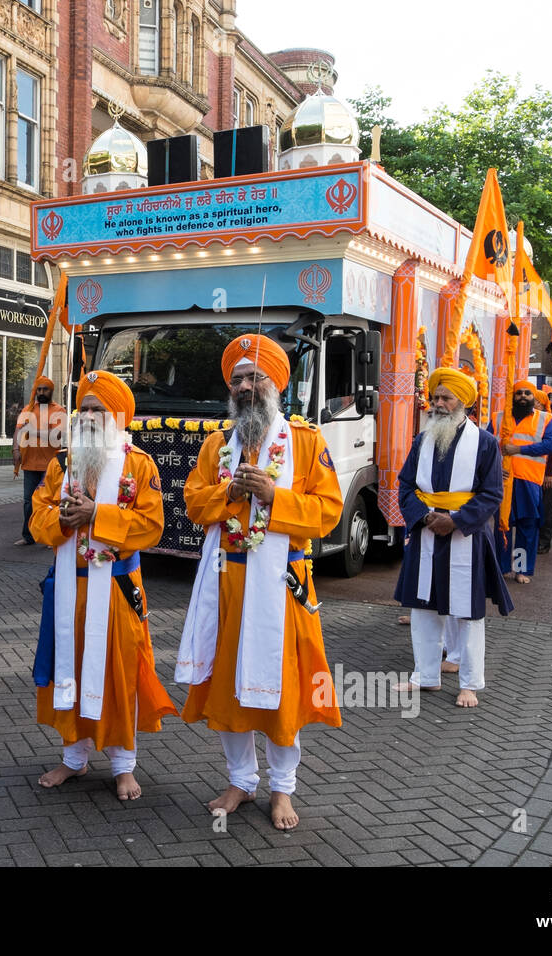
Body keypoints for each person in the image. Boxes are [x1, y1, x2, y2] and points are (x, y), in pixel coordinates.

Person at [176, 334, 343, 830]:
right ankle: (240, 780)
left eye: (256, 378)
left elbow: (328, 513)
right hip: (227, 583)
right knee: (228, 686)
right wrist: (228, 493)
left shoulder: (307, 442)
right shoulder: (214, 446)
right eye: (238, 380)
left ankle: (283, 789)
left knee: (283, 688)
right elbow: (191, 504)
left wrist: (275, 495)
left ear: (277, 385)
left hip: (283, 585)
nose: (246, 386)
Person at [29, 370, 176, 800]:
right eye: (84, 409)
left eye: (98, 410)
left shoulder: (138, 464)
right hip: (68, 589)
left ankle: (123, 765)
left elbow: (152, 527)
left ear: (117, 417)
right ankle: (73, 759)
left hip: (116, 591)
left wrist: (97, 516)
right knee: (69, 668)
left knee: (118, 674)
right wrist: (60, 520)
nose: (88, 416)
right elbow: (38, 519)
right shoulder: (61, 465)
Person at [394, 368, 512, 708]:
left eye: (446, 398)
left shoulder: (485, 443)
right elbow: (405, 485)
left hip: (466, 536)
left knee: (467, 612)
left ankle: (470, 684)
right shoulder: (422, 440)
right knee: (423, 608)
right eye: (436, 398)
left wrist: (456, 521)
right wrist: (422, 516)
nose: (439, 404)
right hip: (427, 531)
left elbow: (491, 495)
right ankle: (426, 676)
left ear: (464, 402)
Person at [492, 382, 552, 583]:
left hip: (529, 481)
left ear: (534, 397)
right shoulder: (498, 417)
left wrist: (519, 450)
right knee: (502, 526)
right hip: (502, 481)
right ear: (512, 396)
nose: (522, 396)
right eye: (518, 393)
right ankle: (503, 567)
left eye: (527, 393)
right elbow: (486, 446)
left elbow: (551, 445)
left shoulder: (546, 419)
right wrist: (494, 470)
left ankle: (521, 569)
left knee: (527, 527)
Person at [12, 375, 68, 546]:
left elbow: (55, 435)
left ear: (52, 391)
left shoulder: (59, 411)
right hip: (29, 463)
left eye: (45, 389)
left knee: (50, 502)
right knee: (29, 502)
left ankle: (51, 534)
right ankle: (28, 536)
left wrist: (31, 431)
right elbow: (18, 431)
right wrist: (15, 448)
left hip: (51, 465)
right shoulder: (27, 410)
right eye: (39, 389)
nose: (41, 392)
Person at [536, 390, 552, 554]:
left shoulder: (551, 420)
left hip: (546, 473)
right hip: (531, 472)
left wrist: (548, 474)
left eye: (536, 401)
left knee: (545, 508)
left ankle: (544, 541)